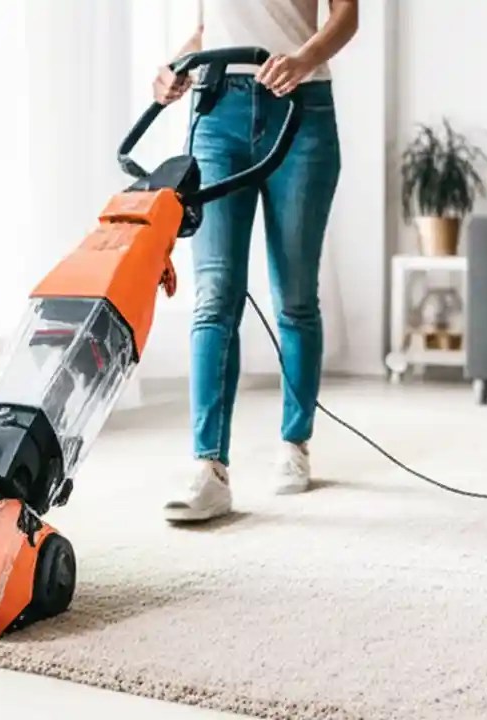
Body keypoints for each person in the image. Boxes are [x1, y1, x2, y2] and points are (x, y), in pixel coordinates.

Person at [157, 0, 359, 522]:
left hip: (301, 109)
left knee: (293, 295)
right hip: (217, 108)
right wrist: (174, 67)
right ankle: (209, 468)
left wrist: (302, 57)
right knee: (215, 295)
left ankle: (295, 443)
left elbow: (346, 15)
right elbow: (211, 28)